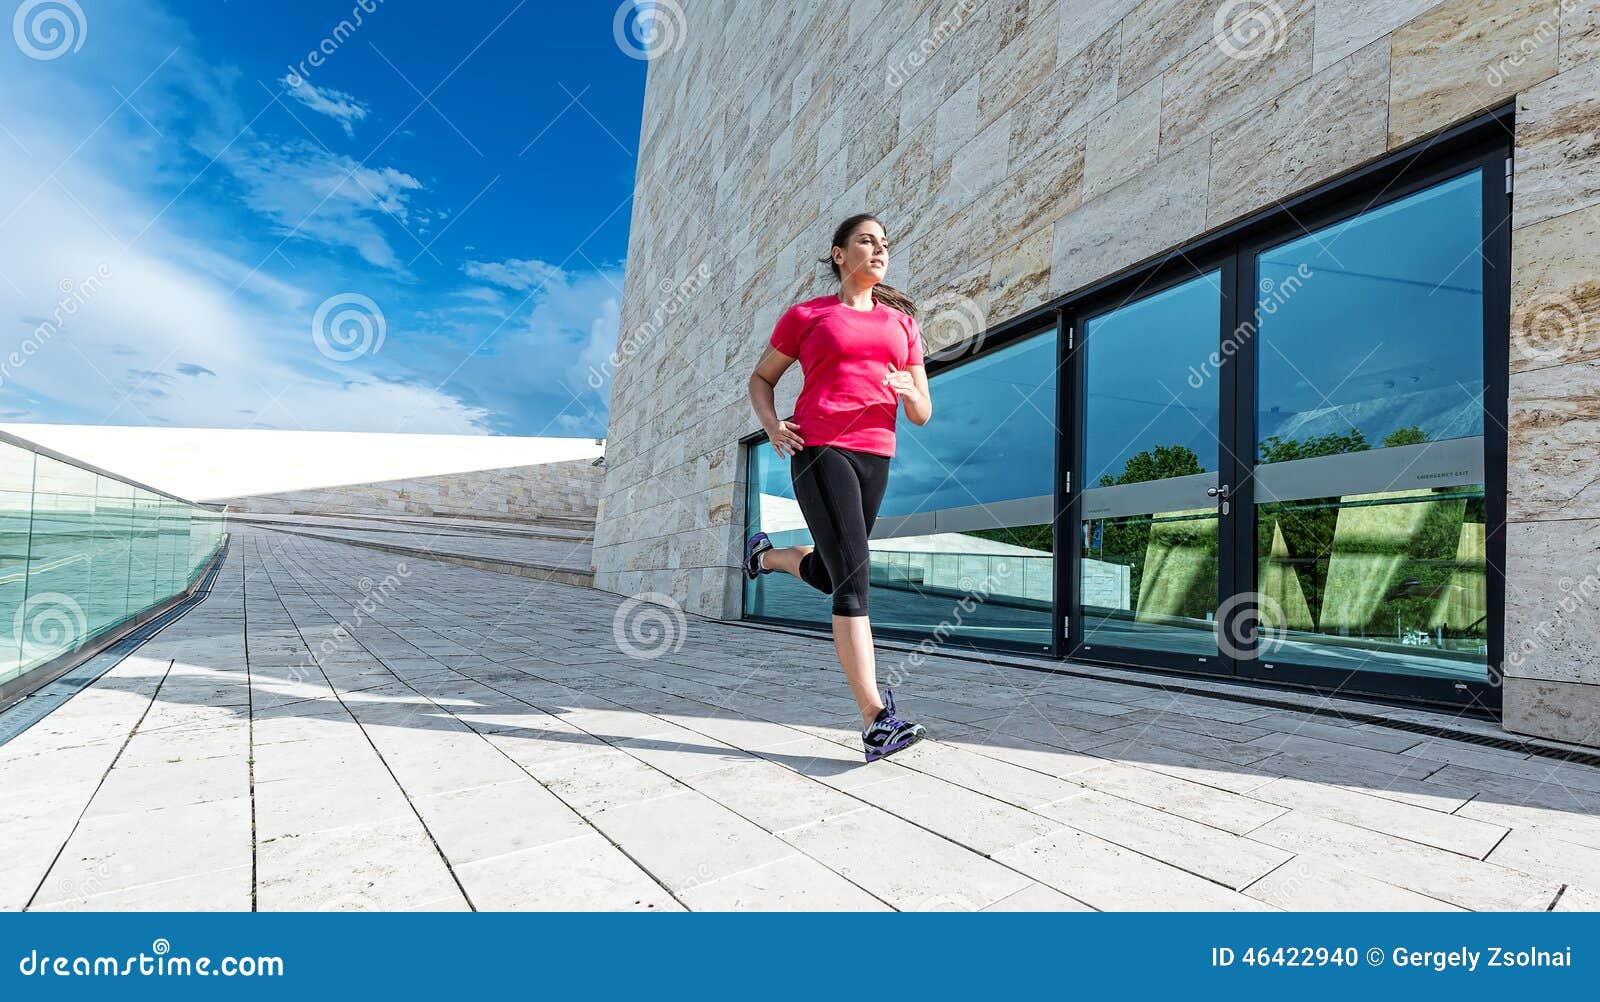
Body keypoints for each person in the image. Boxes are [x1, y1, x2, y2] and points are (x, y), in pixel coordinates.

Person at [744, 213, 933, 762]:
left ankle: (768, 556)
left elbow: (922, 411)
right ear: (838, 254)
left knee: (832, 571)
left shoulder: (902, 325)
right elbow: (762, 378)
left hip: (877, 454)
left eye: (884, 244)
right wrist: (774, 425)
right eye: (866, 241)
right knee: (854, 578)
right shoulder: (809, 316)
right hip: (820, 447)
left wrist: (907, 388)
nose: (879, 250)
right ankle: (877, 720)